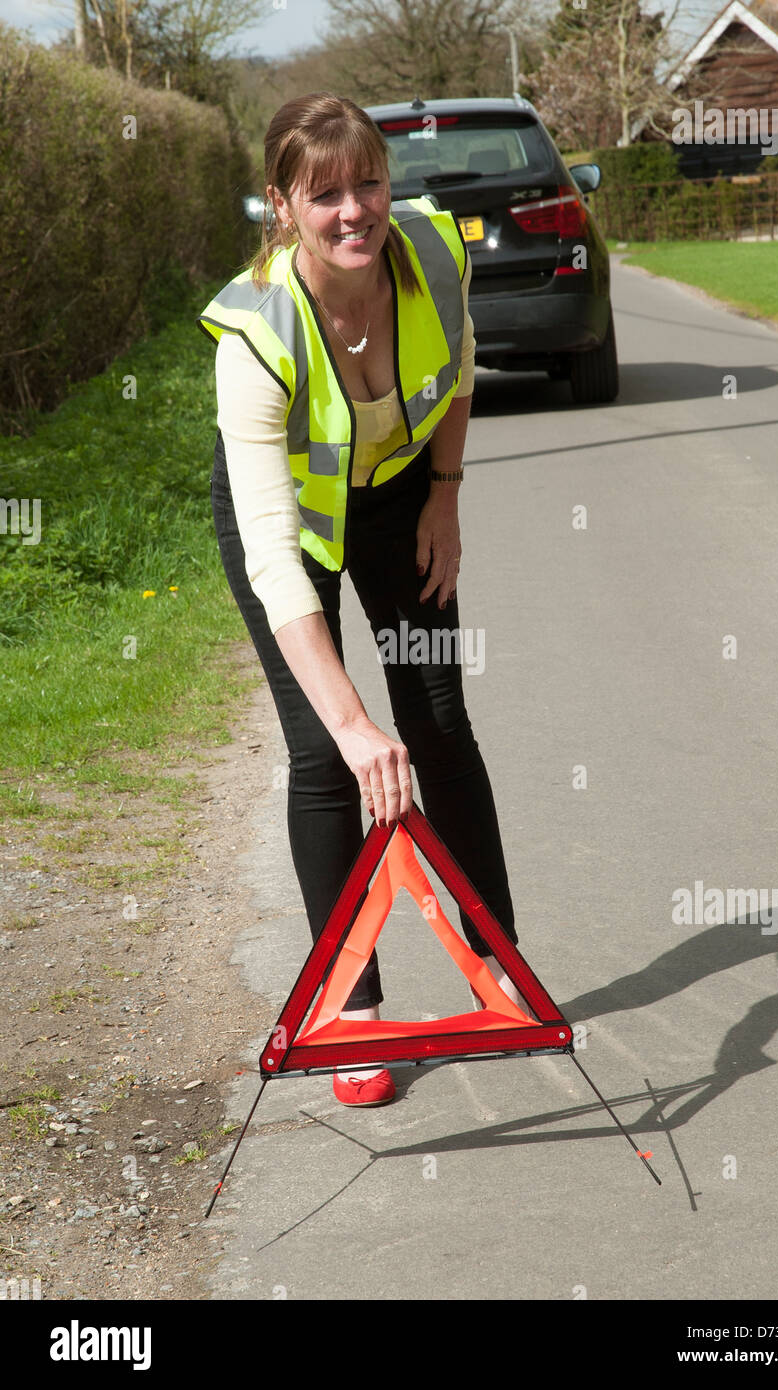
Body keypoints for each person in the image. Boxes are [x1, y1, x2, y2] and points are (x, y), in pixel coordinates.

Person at [198, 92, 526, 1108]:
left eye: (369, 182)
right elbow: (268, 556)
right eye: (324, 192)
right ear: (281, 206)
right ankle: (353, 1011)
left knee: (435, 721)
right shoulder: (252, 337)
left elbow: (459, 365)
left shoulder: (433, 251)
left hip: (399, 500)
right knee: (323, 755)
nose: (355, 210)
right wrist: (349, 721)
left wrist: (445, 493)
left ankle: (500, 972)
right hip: (288, 527)